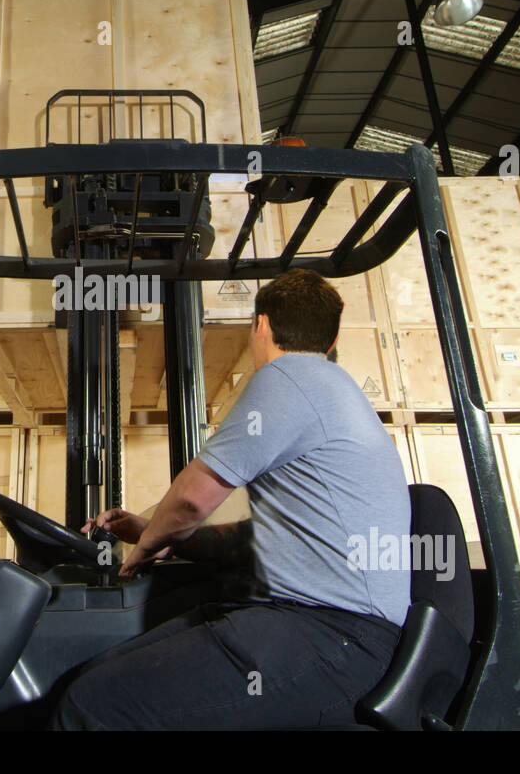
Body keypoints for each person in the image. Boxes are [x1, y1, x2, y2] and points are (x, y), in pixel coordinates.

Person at [50, 268, 411, 729]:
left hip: (331, 636)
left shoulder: (288, 378)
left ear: (260, 325)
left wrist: (140, 553)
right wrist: (151, 532)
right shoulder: (331, 391)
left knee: (92, 706)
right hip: (323, 629)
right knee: (96, 672)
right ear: (333, 334)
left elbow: (191, 501)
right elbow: (247, 539)